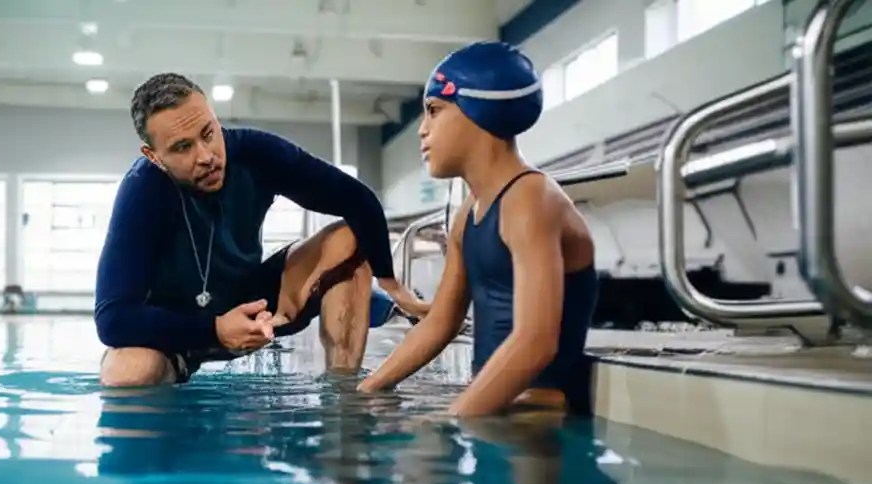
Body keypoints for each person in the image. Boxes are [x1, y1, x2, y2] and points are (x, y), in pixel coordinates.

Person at [94, 73, 430, 387]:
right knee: (127, 372)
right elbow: (113, 318)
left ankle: (341, 400)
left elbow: (358, 200)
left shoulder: (254, 152)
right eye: (183, 147)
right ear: (153, 156)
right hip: (179, 329)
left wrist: (392, 284)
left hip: (255, 304)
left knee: (349, 236)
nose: (206, 156)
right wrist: (214, 330)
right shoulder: (142, 189)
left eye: (208, 133)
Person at [357, 41, 598, 416]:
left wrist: (454, 418)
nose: (422, 130)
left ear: (479, 111)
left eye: (434, 111)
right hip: (495, 408)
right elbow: (440, 322)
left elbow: (536, 343)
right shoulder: (469, 213)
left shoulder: (530, 199)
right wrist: (367, 390)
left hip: (539, 416)